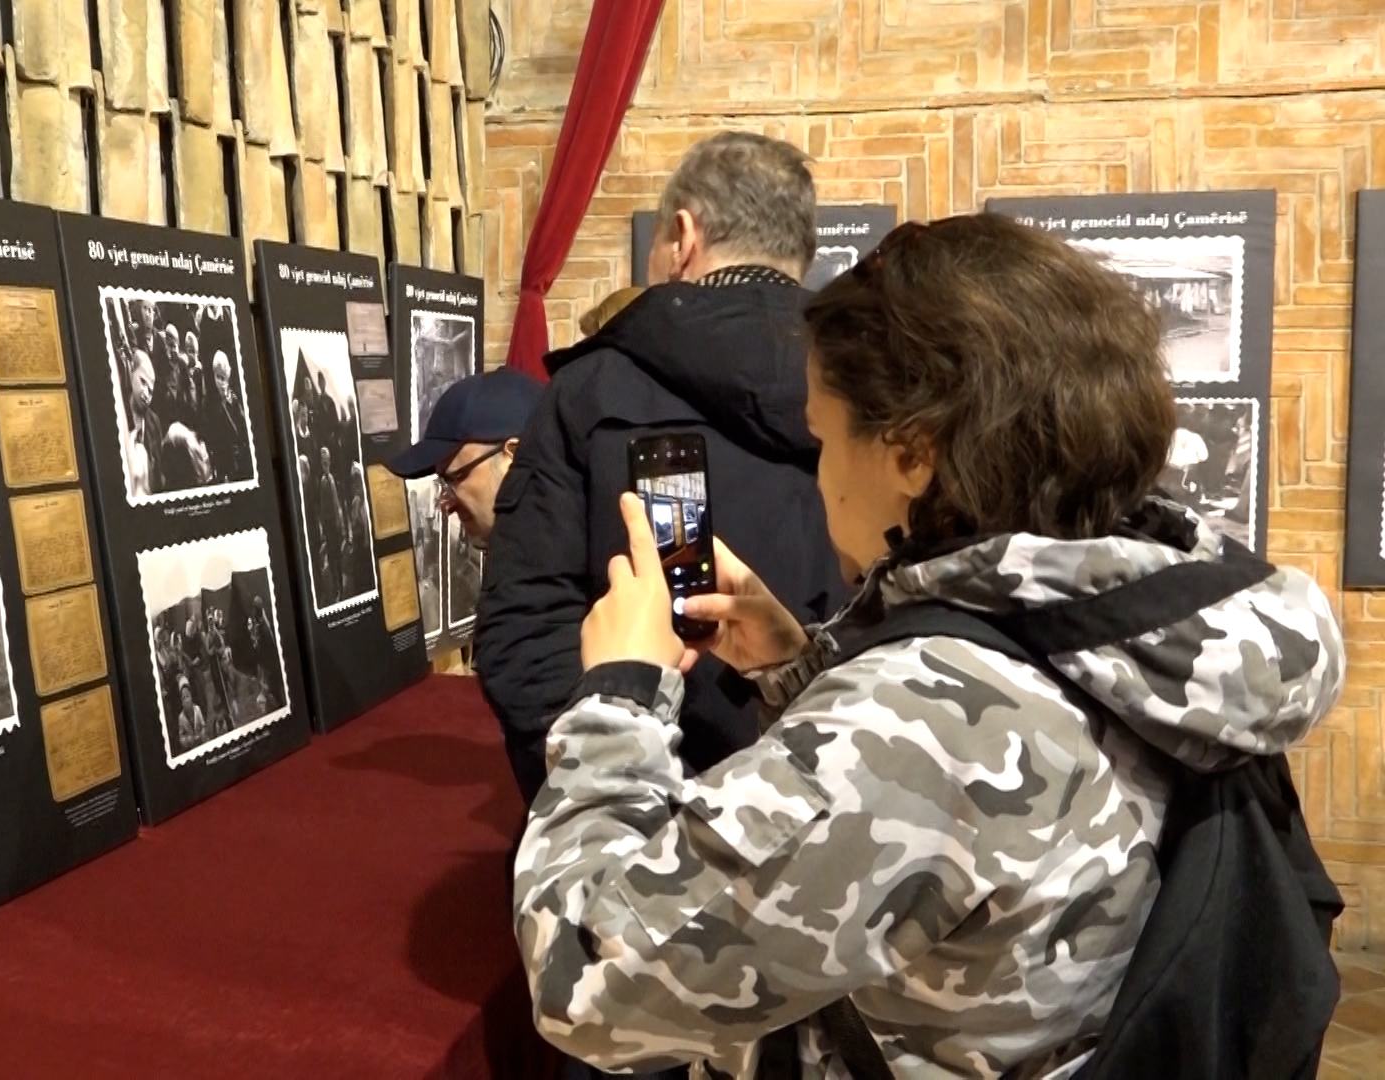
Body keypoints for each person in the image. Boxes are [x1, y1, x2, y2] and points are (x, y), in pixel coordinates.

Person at [511, 214, 1345, 1077]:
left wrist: (619, 695)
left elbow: (586, 980)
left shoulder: (914, 721)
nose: (820, 472)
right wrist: (799, 667)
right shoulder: (1160, 611)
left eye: (822, 439)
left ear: (910, 454)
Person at [476, 131, 848, 807]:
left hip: (632, 817)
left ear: (682, 237)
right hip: (840, 810)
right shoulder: (874, 391)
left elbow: (525, 625)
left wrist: (602, 790)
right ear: (802, 251)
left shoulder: (590, 389)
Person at [383, 367, 543, 547]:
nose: (446, 506)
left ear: (515, 456)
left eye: (456, 477)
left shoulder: (560, 558)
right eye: (444, 482)